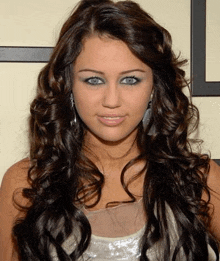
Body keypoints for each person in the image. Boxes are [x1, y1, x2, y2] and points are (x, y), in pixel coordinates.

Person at [0, 0, 220, 260]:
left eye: (130, 80)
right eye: (94, 80)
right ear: (68, 84)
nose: (112, 100)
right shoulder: (25, 183)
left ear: (154, 88)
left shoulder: (200, 180)